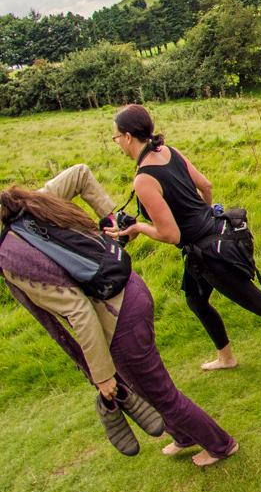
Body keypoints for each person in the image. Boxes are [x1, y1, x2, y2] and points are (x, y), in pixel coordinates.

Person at [2, 186, 238, 466]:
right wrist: (109, 216)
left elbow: (79, 311)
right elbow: (80, 174)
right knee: (142, 386)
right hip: (127, 286)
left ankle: (220, 445)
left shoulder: (11, 254)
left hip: (117, 315)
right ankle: (183, 436)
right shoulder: (25, 208)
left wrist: (102, 376)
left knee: (158, 393)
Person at [107, 104, 261, 370]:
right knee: (196, 300)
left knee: (259, 303)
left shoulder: (143, 179)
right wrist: (203, 214)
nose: (117, 142)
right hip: (212, 236)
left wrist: (137, 229)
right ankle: (226, 357)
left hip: (211, 254)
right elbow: (206, 186)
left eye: (116, 137)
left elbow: (169, 234)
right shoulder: (169, 152)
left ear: (128, 136)